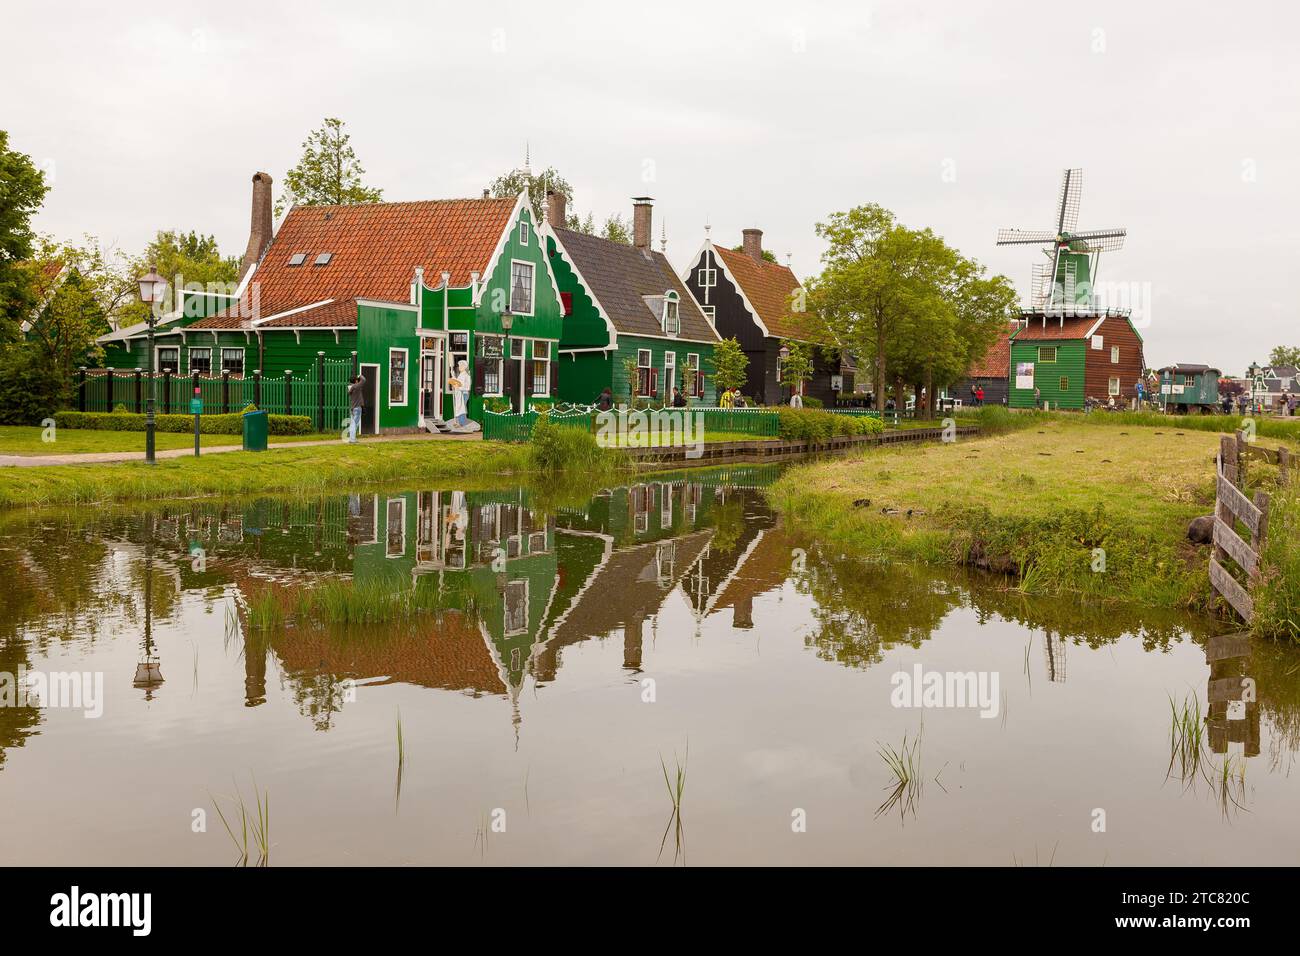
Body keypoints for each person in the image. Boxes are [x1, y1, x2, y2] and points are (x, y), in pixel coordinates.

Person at [448, 359, 471, 429]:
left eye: (461, 366)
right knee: (459, 407)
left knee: (462, 408)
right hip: (459, 394)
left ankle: (462, 423)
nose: (459, 367)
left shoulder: (467, 376)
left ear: (464, 367)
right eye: (459, 366)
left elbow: (467, 387)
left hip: (464, 394)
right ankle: (459, 422)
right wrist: (453, 375)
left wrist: (458, 387)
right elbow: (457, 382)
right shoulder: (461, 375)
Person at [346, 373, 366, 442]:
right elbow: (363, 380)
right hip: (357, 408)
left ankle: (352, 438)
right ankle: (352, 439)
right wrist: (359, 375)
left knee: (353, 424)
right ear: (355, 381)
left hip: (353, 408)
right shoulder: (356, 387)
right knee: (355, 424)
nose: (358, 381)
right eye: (357, 380)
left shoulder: (350, 387)